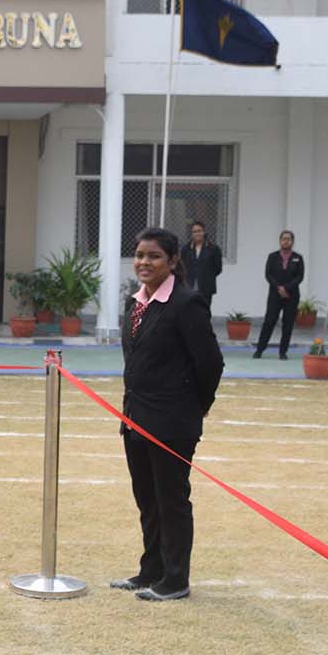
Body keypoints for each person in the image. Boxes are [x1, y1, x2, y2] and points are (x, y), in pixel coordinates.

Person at [109, 228, 225, 603]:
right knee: (147, 498)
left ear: (173, 261)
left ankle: (176, 579)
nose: (144, 262)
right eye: (140, 255)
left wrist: (196, 406)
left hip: (172, 423)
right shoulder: (136, 303)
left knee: (171, 499)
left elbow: (210, 362)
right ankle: (151, 569)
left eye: (154, 256)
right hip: (136, 418)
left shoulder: (186, 303)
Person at [253, 230, 304, 359]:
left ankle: (283, 352)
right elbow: (268, 274)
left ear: (292, 241)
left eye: (288, 239)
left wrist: (286, 288)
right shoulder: (272, 256)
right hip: (275, 295)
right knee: (269, 321)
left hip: (291, 296)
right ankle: (259, 349)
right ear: (280, 241)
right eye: (283, 239)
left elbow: (300, 276)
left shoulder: (298, 258)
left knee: (288, 324)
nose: (286, 241)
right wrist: (279, 288)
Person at [178, 220, 223, 310]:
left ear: (204, 232)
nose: (197, 233)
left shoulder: (213, 249)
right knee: (189, 310)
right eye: (195, 231)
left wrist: (207, 275)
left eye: (199, 231)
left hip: (206, 286)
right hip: (189, 285)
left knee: (204, 310)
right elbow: (181, 266)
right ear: (191, 234)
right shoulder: (186, 249)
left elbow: (218, 268)